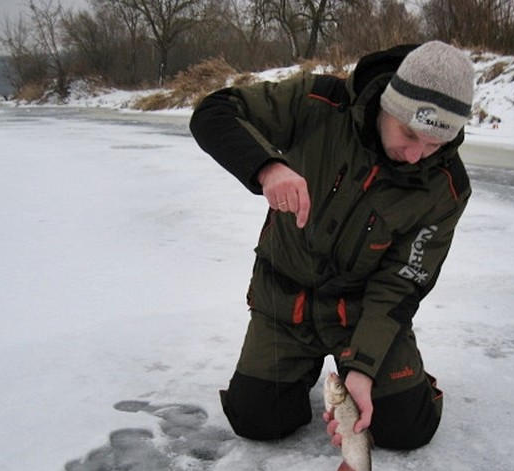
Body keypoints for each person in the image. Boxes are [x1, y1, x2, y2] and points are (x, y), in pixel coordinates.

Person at [189, 41, 475, 450]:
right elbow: (214, 112)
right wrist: (267, 167)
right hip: (284, 302)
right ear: (387, 105)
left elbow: (401, 284)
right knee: (257, 419)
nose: (415, 155)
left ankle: (398, 377)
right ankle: (298, 368)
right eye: (409, 133)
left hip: (360, 314)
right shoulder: (318, 103)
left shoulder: (446, 187)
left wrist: (364, 367)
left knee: (405, 429)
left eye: (433, 144)